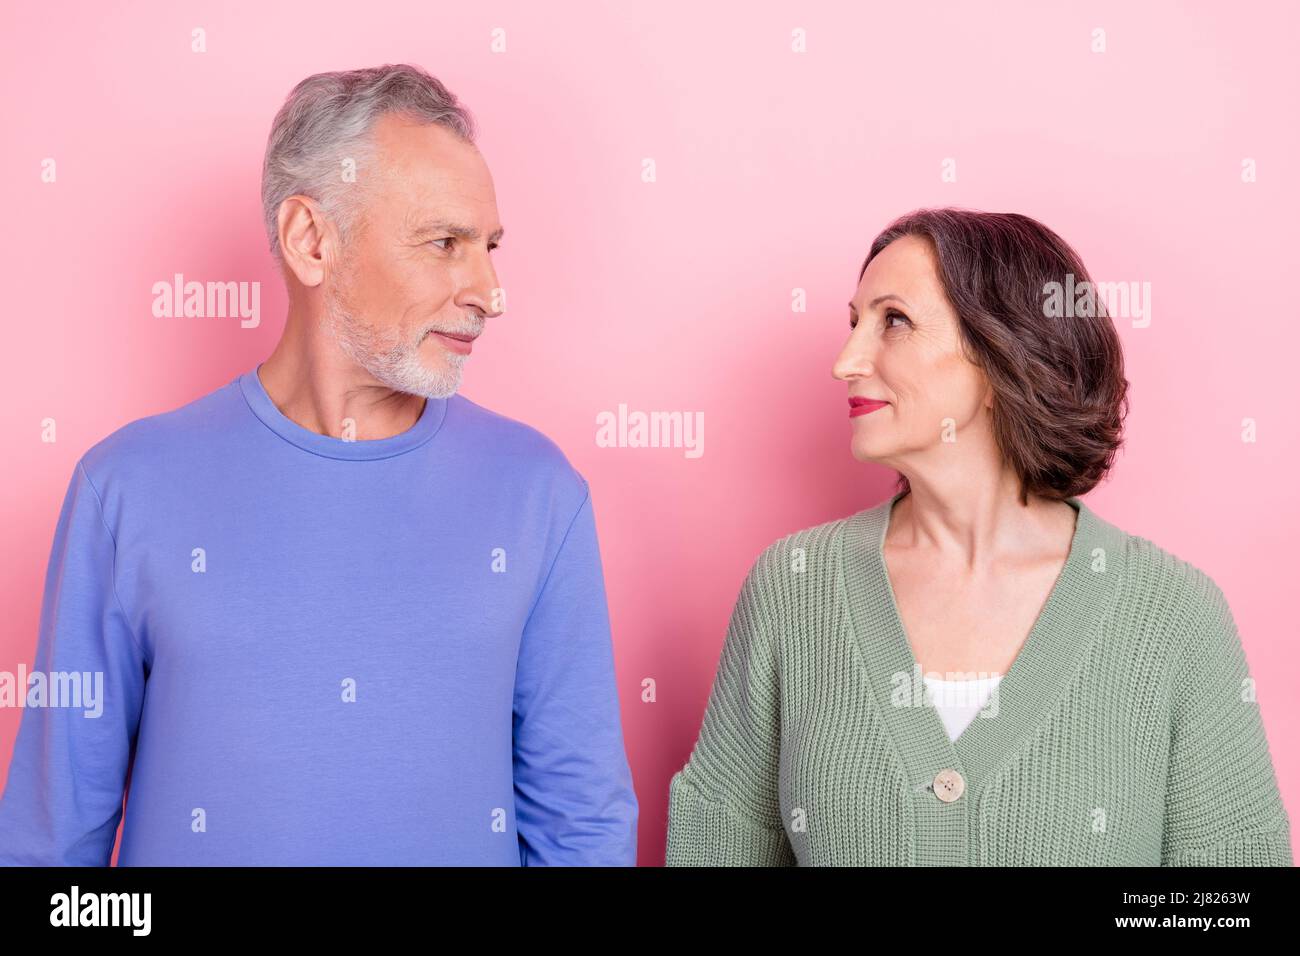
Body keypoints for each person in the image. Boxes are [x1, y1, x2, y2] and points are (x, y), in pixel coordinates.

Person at [0, 63, 638, 866]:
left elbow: (581, 829)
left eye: (490, 248)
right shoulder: (123, 488)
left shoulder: (539, 495)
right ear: (312, 240)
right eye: (445, 243)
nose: (490, 290)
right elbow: (51, 847)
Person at [665, 208, 1291, 866]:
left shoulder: (1172, 615)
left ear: (999, 352)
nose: (845, 362)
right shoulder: (792, 590)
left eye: (893, 321)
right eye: (854, 324)